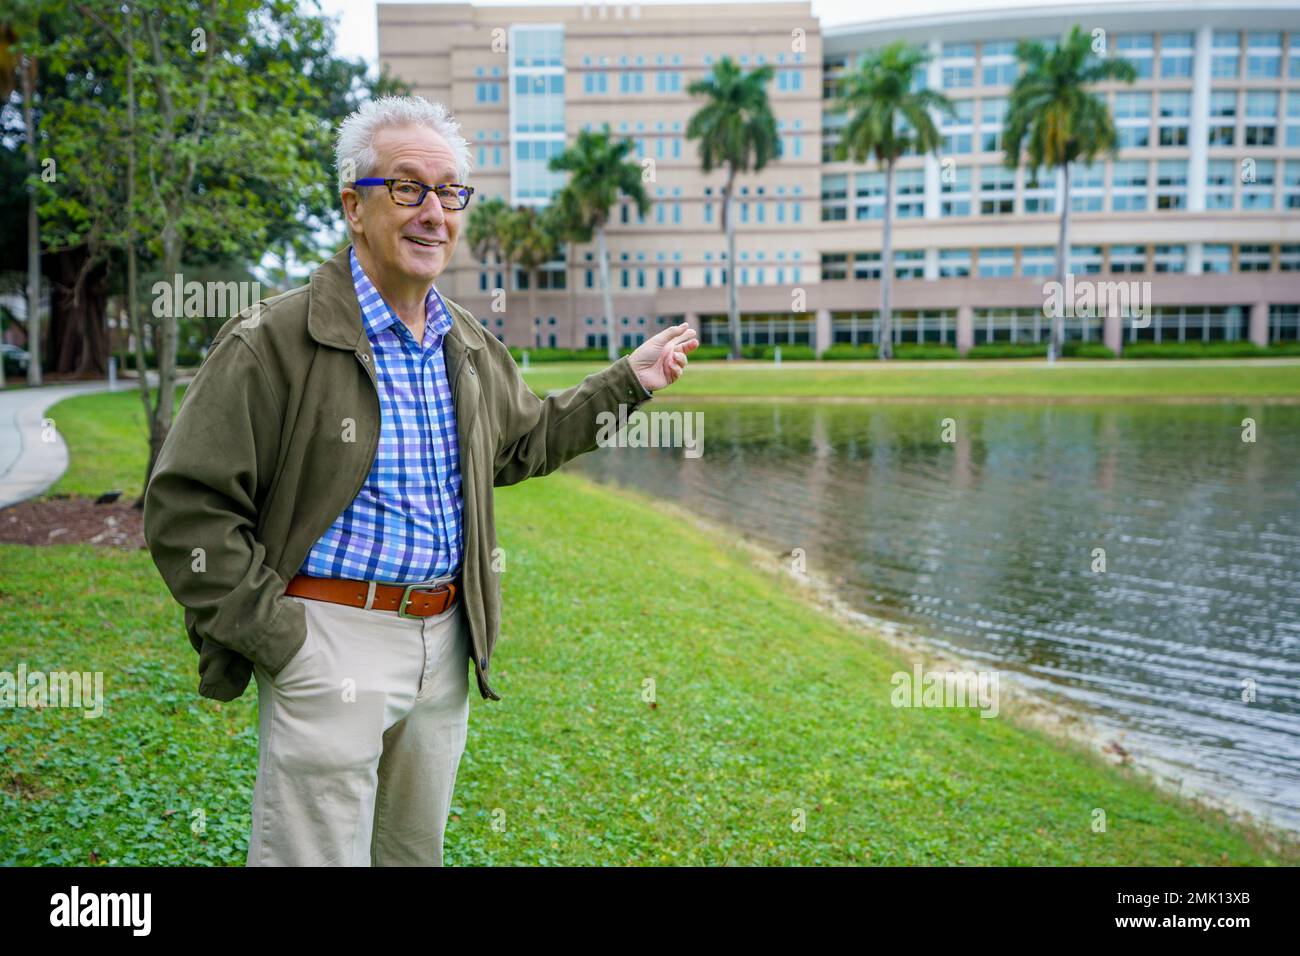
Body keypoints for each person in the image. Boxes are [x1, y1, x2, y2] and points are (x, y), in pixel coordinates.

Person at [142, 95, 697, 866]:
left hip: (443, 646)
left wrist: (626, 381)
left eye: (449, 192)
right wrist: (280, 638)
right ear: (353, 206)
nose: (433, 211)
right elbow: (186, 508)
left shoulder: (465, 343)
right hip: (327, 640)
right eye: (407, 188)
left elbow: (526, 440)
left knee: (411, 857)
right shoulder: (272, 339)